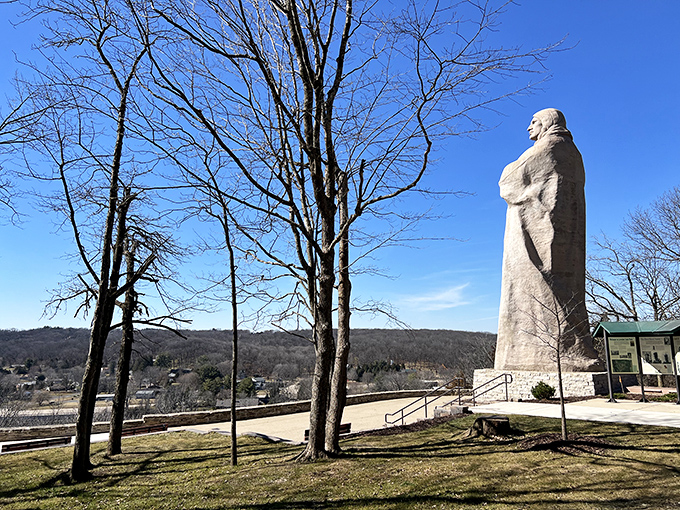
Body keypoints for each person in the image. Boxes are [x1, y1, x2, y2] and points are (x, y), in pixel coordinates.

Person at [494, 108, 602, 372]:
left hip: (538, 234)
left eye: (533, 122)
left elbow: (508, 180)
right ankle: (563, 348)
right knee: (563, 295)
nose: (529, 127)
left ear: (547, 123)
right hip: (564, 235)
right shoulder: (573, 152)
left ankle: (533, 355)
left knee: (532, 289)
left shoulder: (550, 146)